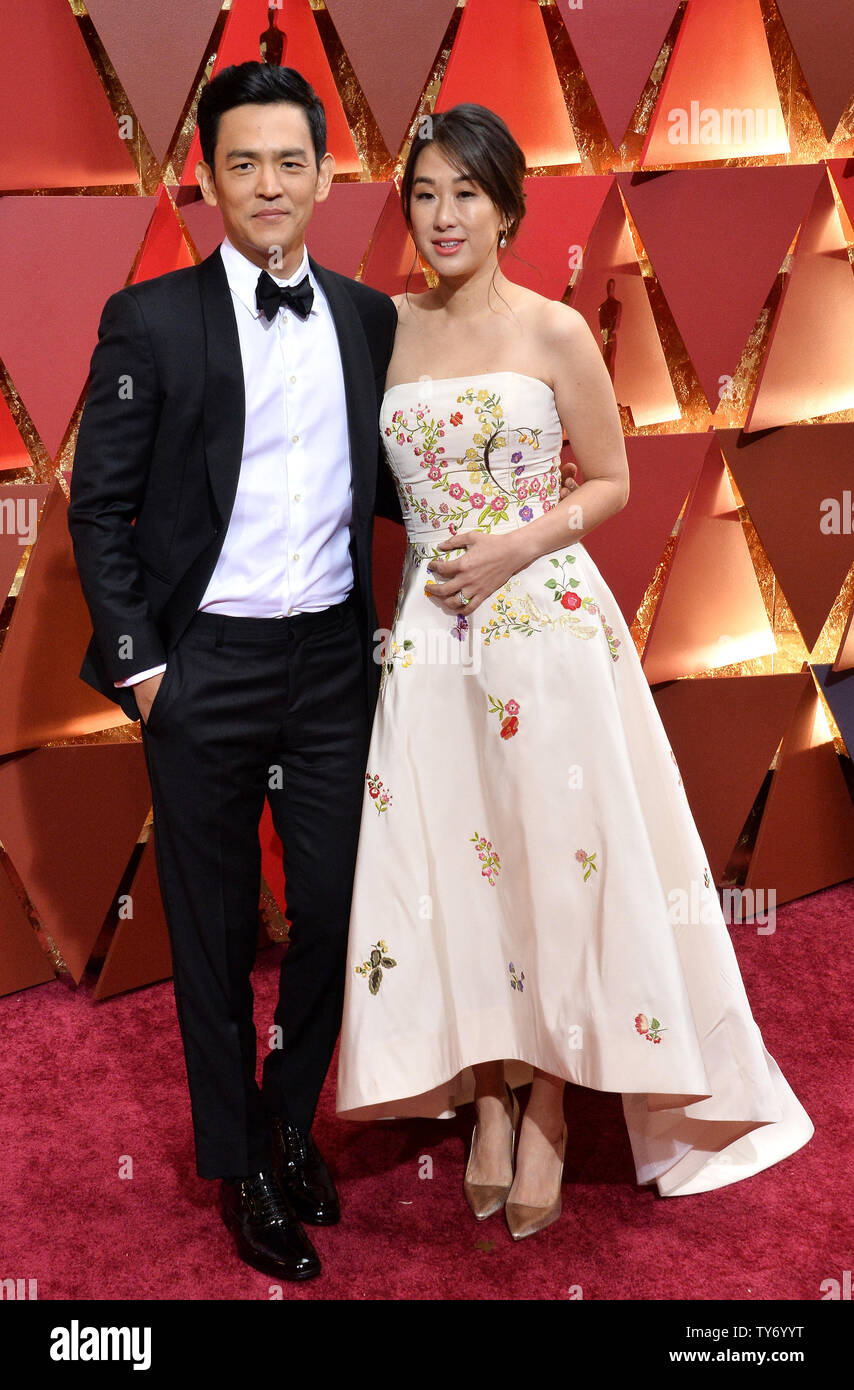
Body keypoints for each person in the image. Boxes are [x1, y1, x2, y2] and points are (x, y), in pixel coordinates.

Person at [335, 104, 814, 1240]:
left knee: (559, 863)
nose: (444, 215)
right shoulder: (384, 330)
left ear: (507, 208)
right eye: (426, 194)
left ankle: (548, 1100)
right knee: (459, 865)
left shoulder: (552, 330)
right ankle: (489, 1091)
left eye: (468, 194)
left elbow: (606, 483)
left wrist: (508, 544)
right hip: (430, 645)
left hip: (543, 630)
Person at [68, 63, 403, 1282]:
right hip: (199, 665)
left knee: (329, 910)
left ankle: (286, 1111)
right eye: (243, 163)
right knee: (210, 936)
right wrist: (144, 671)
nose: (268, 184)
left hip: (327, 664)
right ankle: (242, 1165)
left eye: (290, 162)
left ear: (325, 173)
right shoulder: (146, 319)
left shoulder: (368, 318)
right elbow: (96, 512)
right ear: (206, 177)